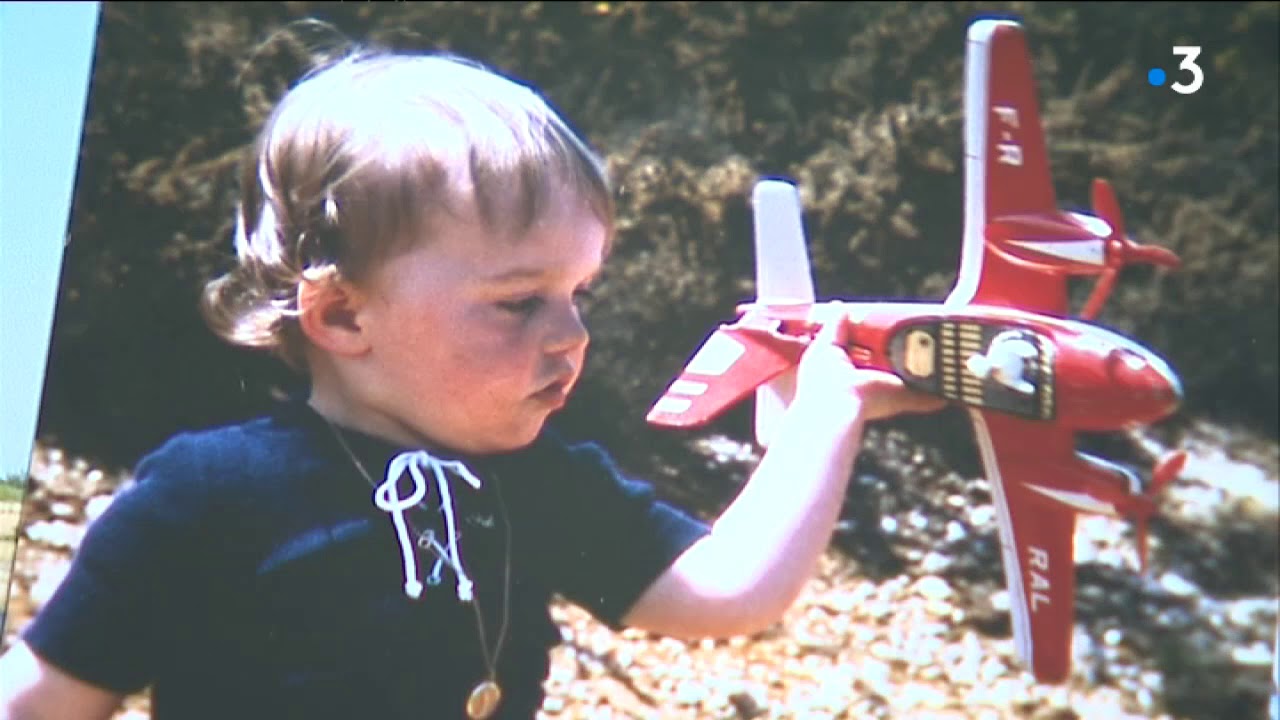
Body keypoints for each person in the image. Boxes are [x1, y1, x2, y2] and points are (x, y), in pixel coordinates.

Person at [0, 34, 943, 720]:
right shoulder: (208, 495)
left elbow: (727, 590)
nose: (572, 332)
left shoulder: (545, 481)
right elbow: (44, 698)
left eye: (580, 292)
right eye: (518, 301)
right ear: (341, 316)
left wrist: (831, 410)